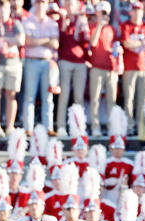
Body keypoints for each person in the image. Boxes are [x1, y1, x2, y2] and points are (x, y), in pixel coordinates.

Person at [0, 0, 24, 138]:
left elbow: (21, 40)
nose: (2, 11)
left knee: (11, 95)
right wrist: (10, 40)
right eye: (0, 8)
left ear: (9, 9)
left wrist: (3, 40)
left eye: (5, 8)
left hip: (13, 62)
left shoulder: (16, 23)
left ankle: (10, 126)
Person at [21, 0, 59, 134]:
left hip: (48, 62)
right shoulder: (27, 21)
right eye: (38, 3)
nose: (40, 5)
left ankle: (48, 127)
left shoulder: (52, 23)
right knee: (29, 96)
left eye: (43, 3)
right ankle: (28, 128)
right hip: (32, 61)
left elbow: (55, 44)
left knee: (48, 97)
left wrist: (37, 41)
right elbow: (27, 41)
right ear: (34, 4)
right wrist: (46, 40)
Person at [56, 0, 90, 137]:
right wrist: (64, 26)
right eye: (68, 3)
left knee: (78, 96)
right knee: (64, 95)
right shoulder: (61, 20)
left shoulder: (81, 20)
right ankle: (61, 126)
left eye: (73, 3)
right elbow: (59, 41)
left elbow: (86, 42)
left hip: (80, 61)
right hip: (65, 60)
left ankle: (79, 126)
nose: (70, 6)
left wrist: (82, 28)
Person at [88, 2, 119, 137]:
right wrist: (100, 25)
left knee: (111, 99)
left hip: (111, 68)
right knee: (95, 99)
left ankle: (112, 126)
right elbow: (93, 42)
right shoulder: (93, 27)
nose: (104, 15)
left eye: (106, 12)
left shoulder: (113, 29)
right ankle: (95, 126)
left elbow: (116, 48)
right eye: (102, 12)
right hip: (97, 67)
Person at [121, 2, 145, 130]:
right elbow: (126, 43)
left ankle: (141, 126)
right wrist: (141, 42)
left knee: (143, 99)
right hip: (130, 67)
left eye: (139, 10)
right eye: (134, 10)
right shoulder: (126, 25)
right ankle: (129, 125)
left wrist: (140, 44)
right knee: (129, 98)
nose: (137, 13)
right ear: (130, 12)